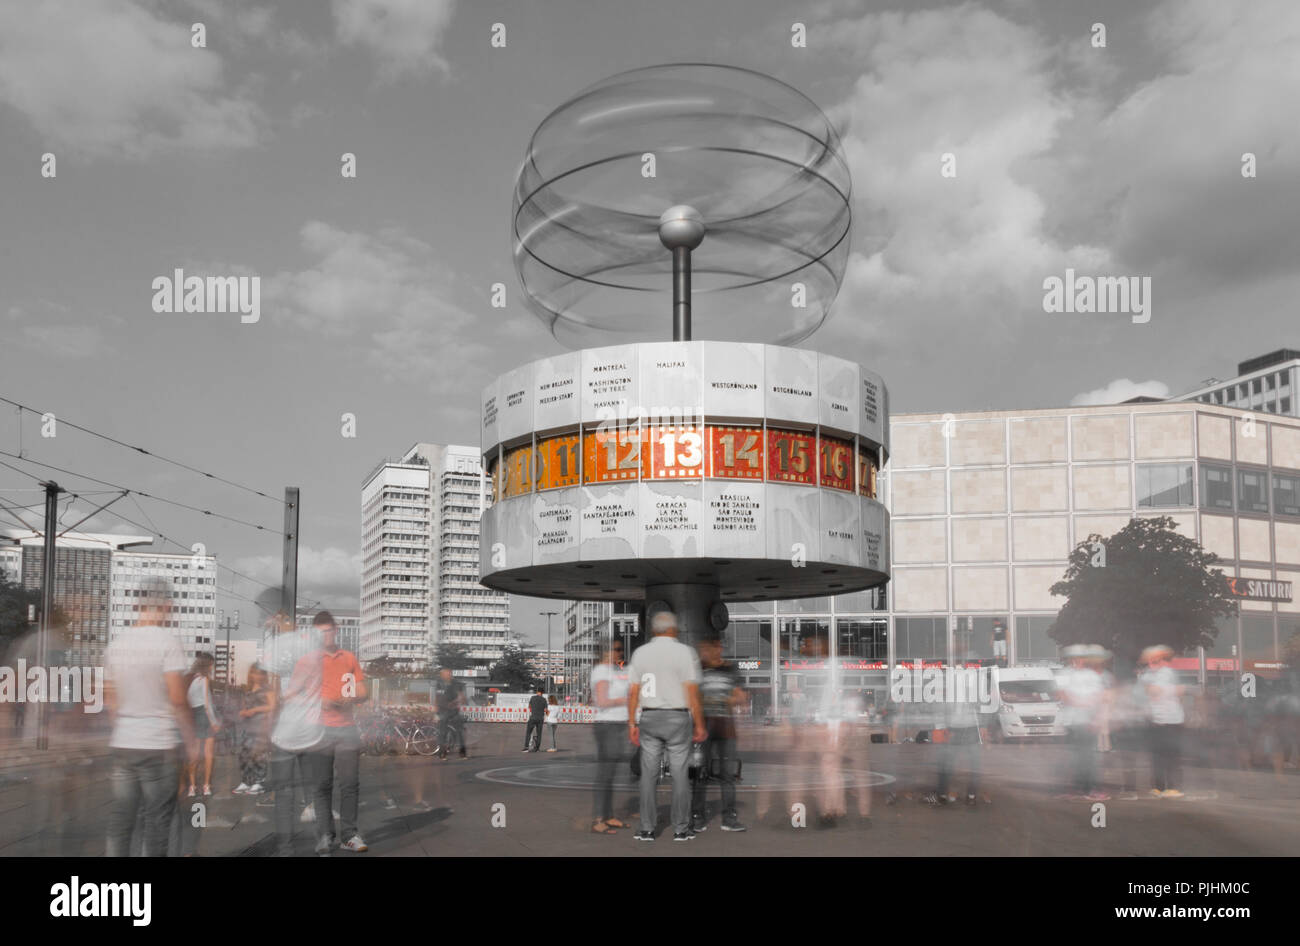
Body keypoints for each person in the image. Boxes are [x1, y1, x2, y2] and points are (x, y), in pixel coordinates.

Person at [103, 577, 198, 856]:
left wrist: (123, 732)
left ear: (136, 605)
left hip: (123, 743)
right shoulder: (167, 641)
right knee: (157, 822)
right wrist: (192, 741)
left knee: (121, 819)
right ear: (166, 606)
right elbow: (178, 700)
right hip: (158, 744)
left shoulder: (116, 646)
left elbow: (112, 704)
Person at [626, 610, 706, 842]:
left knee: (648, 775)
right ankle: (681, 828)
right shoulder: (685, 652)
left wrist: (632, 723)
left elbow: (633, 692)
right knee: (680, 774)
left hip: (649, 718)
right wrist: (699, 724)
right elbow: (692, 692)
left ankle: (646, 828)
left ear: (653, 629)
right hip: (677, 718)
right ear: (673, 629)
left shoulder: (640, 653)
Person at [262, 600, 325, 857]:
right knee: (316, 792)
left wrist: (270, 633)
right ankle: (322, 842)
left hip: (285, 733)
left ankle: (286, 849)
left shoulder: (278, 650)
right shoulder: (311, 647)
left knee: (284, 796)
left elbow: (271, 690)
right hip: (311, 731)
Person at [311, 611, 368, 854]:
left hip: (346, 729)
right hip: (319, 730)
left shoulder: (349, 658)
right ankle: (325, 835)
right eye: (321, 631)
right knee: (322, 786)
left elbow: (363, 691)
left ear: (336, 630)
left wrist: (351, 698)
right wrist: (319, 701)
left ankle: (349, 835)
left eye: (329, 630)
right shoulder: (309, 660)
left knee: (350, 784)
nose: (326, 635)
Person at [691, 637, 747, 832]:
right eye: (702, 648)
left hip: (726, 727)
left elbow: (741, 696)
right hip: (703, 727)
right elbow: (693, 696)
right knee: (700, 772)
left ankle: (729, 818)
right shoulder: (698, 669)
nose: (704, 652)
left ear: (718, 648)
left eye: (708, 648)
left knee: (727, 774)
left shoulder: (731, 669)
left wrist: (727, 700)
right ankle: (697, 816)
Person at [1057, 645, 1110, 800]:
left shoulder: (1092, 676)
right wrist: (1081, 702)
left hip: (1087, 721)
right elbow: (1061, 694)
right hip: (1072, 721)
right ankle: (1077, 788)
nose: (1077, 661)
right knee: (1075, 757)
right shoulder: (1064, 674)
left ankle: (1089, 788)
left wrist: (1095, 716)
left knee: (1089, 757)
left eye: (1080, 658)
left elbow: (1098, 697)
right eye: (1074, 658)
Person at [590, 637, 631, 835]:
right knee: (605, 774)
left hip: (617, 725)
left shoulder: (616, 670)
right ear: (606, 651)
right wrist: (627, 699)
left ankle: (608, 815)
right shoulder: (601, 671)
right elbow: (603, 701)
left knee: (610, 774)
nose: (620, 653)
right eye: (616, 649)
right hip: (607, 725)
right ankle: (599, 819)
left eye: (621, 649)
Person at [1140, 644, 1185, 797]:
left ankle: (1170, 787)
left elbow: (1158, 691)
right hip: (1157, 720)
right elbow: (1148, 692)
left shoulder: (1167, 673)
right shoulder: (1149, 674)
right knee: (1159, 755)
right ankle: (1159, 787)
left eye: (1155, 659)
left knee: (1169, 755)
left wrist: (1153, 689)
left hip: (1171, 719)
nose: (1152, 662)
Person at [184, 653, 221, 797]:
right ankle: (206, 786)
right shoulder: (204, 679)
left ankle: (192, 787)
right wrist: (214, 722)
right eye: (212, 664)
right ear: (208, 665)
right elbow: (207, 704)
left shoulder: (190, 680)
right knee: (208, 754)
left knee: (194, 754)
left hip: (193, 717)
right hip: (204, 717)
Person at [234, 664, 272, 795]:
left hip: (261, 726)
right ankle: (246, 781)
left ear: (264, 675)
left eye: (260, 673)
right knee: (244, 754)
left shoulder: (268, 689)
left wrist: (255, 710)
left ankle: (258, 782)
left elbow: (272, 707)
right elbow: (245, 706)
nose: (256, 676)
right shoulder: (248, 689)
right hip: (247, 726)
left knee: (259, 755)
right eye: (254, 673)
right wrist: (244, 712)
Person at [434, 667, 467, 760]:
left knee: (460, 732)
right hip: (442, 710)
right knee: (442, 733)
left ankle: (462, 752)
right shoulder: (439, 684)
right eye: (444, 674)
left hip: (453, 711)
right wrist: (435, 709)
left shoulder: (456, 684)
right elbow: (437, 697)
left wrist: (457, 701)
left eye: (448, 674)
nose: (447, 675)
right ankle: (442, 753)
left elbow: (462, 697)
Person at [524, 687, 547, 752]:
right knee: (539, 733)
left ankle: (526, 747)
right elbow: (545, 710)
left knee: (529, 732)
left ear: (537, 692)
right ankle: (537, 748)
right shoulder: (544, 700)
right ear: (542, 693)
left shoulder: (533, 698)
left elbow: (529, 707)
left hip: (533, 717)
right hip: (540, 718)